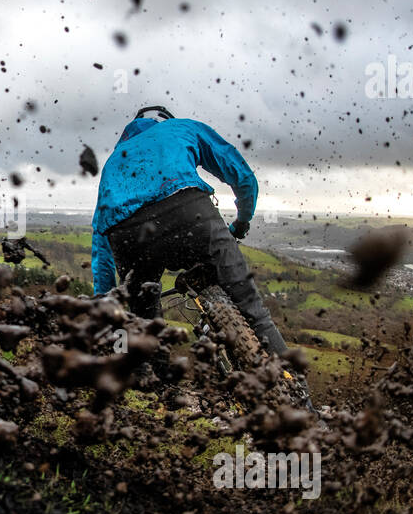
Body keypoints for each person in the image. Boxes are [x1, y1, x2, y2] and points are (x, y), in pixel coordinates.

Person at [90, 106, 290, 359]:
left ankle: (154, 382)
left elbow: (101, 242)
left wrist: (108, 304)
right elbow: (242, 176)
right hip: (189, 213)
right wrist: (241, 222)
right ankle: (297, 394)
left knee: (144, 320)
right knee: (254, 311)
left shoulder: (113, 161)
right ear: (164, 121)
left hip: (128, 236)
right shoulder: (182, 127)